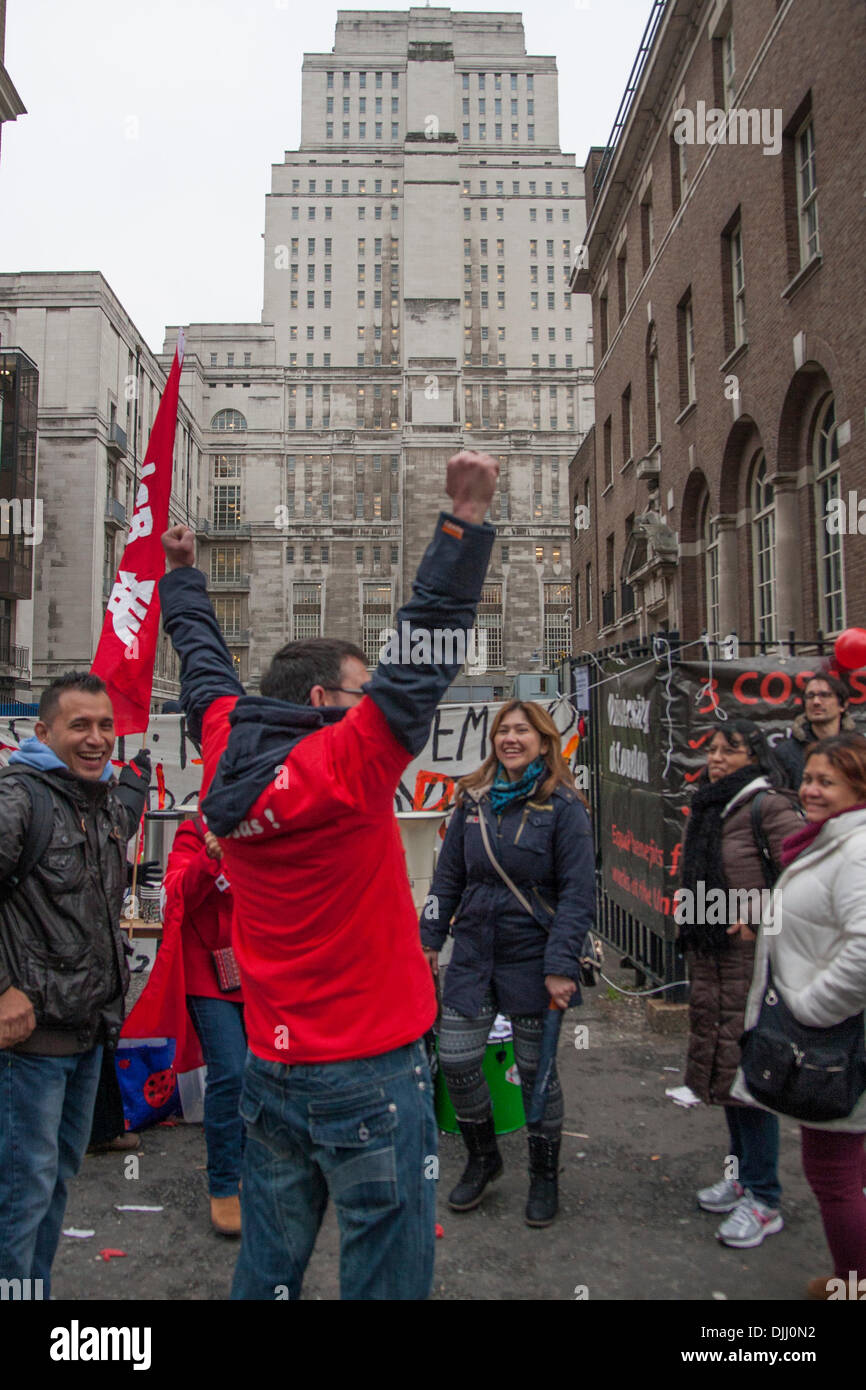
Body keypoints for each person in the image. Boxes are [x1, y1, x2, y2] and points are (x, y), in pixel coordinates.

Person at [157, 450, 497, 1301]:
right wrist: (463, 522)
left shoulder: (230, 744)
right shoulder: (347, 763)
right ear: (321, 704)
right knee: (385, 1278)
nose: (368, 699)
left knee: (268, 1269)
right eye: (357, 690)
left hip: (273, 1073)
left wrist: (184, 583)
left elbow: (203, 668)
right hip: (370, 1075)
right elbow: (422, 657)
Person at [0, 672, 150, 1295]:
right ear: (42, 732)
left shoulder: (99, 800)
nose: (96, 739)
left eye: (105, 726)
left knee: (55, 1181)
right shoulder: (19, 799)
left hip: (87, 1034)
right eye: (79, 726)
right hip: (30, 1043)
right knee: (22, 1192)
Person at [419, 700, 594, 1227]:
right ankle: (483, 1158)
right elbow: (447, 876)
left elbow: (578, 895)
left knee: (536, 1071)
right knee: (455, 1058)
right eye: (503, 730)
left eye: (523, 730)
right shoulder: (470, 801)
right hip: (473, 951)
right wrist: (429, 936)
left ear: (543, 741)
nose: (510, 738)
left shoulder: (564, 808)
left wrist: (562, 964)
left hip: (535, 955)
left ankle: (544, 1177)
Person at [734, 732, 866, 1299]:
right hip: (835, 1036)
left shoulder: (856, 851)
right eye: (807, 778)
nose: (809, 790)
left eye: (825, 782)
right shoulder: (827, 842)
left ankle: (851, 1287)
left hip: (839, 1042)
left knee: (833, 1177)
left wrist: (811, 1008)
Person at [678, 720, 802, 1248]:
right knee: (723, 1071)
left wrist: (759, 910)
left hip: (752, 961)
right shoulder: (710, 805)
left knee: (750, 1077)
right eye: (714, 749)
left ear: (753, 755)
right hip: (713, 955)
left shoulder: (767, 805)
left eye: (732, 749)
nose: (719, 758)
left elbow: (804, 874)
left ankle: (764, 1197)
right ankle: (740, 1175)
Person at [162, 816, 246, 1237]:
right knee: (230, 1071)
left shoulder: (278, 819)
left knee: (269, 1075)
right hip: (209, 972)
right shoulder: (196, 830)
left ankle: (257, 1173)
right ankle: (225, 1184)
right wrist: (209, 858)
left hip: (266, 971)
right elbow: (175, 893)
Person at [774, 669, 856, 791]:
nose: (816, 702)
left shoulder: (859, 749)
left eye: (825, 695)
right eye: (810, 696)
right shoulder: (784, 753)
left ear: (843, 705)